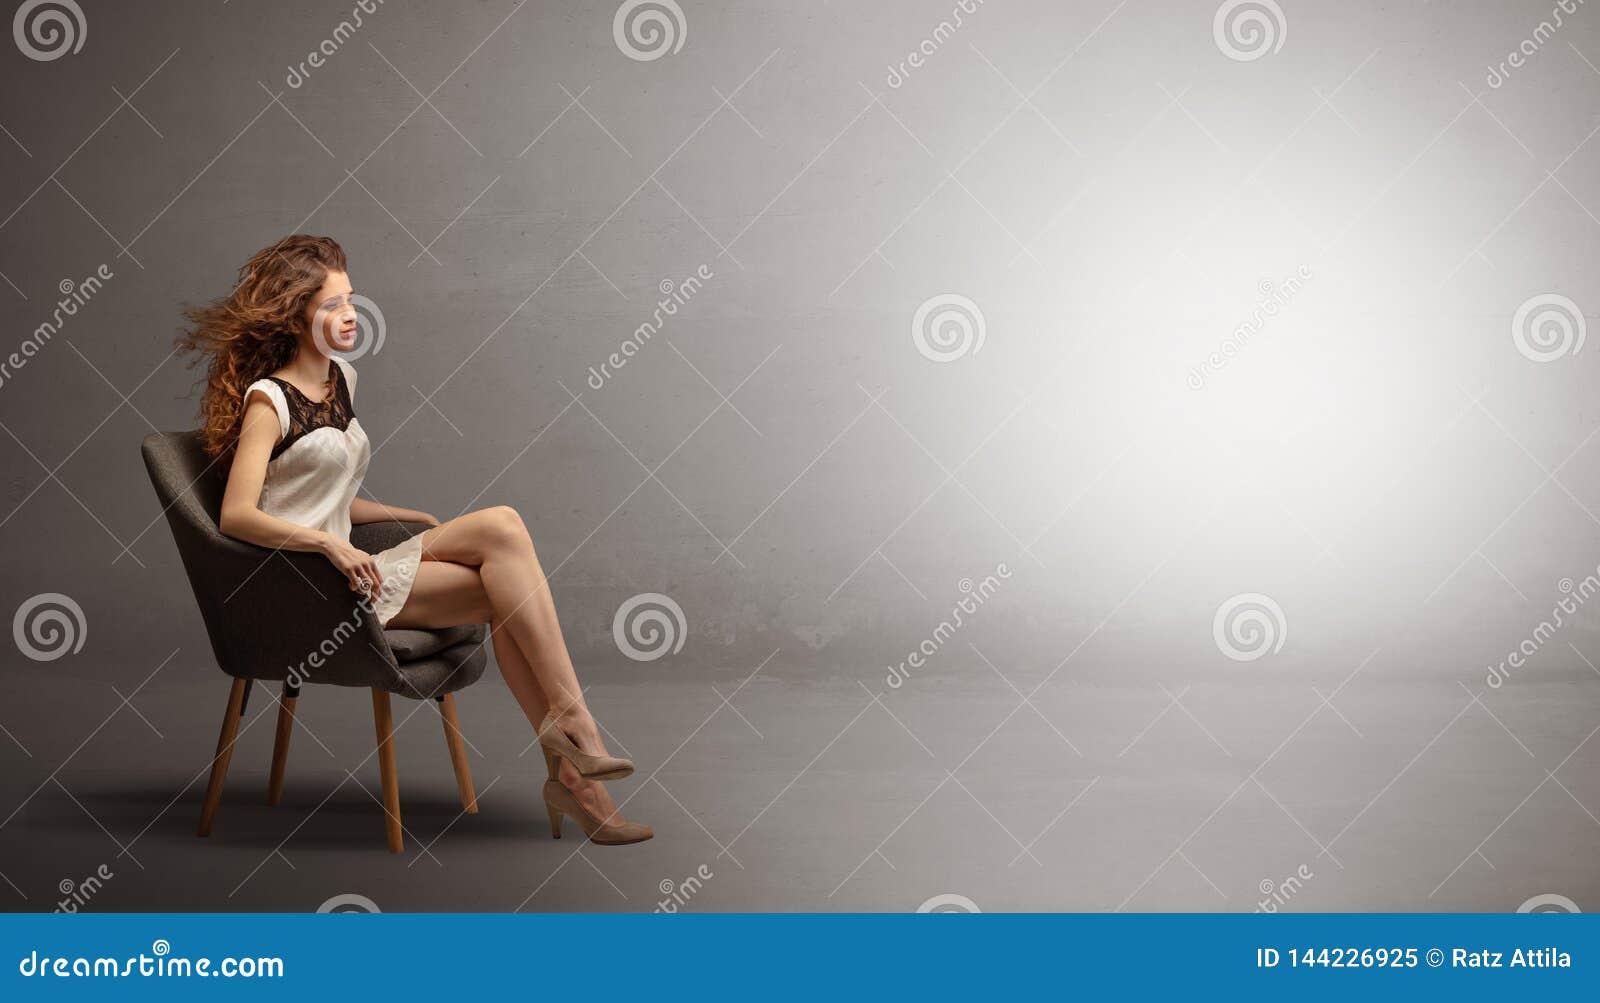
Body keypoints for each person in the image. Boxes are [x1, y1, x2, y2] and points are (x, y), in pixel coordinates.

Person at [179, 234, 650, 845]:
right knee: (503, 590)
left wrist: (405, 516)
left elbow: (325, 495)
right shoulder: (269, 401)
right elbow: (237, 517)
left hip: (356, 565)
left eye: (351, 300)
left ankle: (573, 739)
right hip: (315, 589)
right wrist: (329, 546)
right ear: (295, 318)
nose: (350, 314)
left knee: (502, 526)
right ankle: (576, 759)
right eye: (331, 305)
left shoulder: (342, 379)